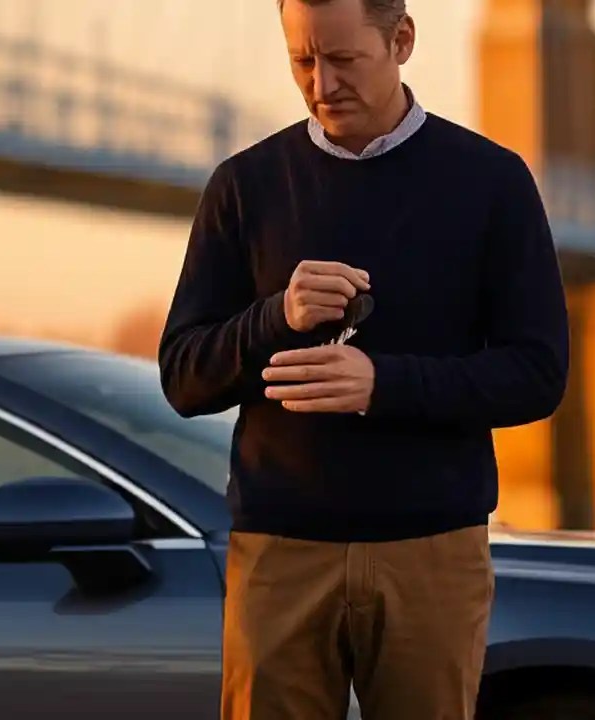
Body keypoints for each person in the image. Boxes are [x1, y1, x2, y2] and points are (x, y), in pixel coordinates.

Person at [158, 0, 569, 717]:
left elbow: (537, 374)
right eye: (302, 61)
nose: (321, 84)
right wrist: (274, 317)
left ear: (402, 40)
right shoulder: (243, 186)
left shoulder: (492, 183)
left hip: (432, 551)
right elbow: (183, 378)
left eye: (343, 60)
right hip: (277, 552)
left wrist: (383, 384)